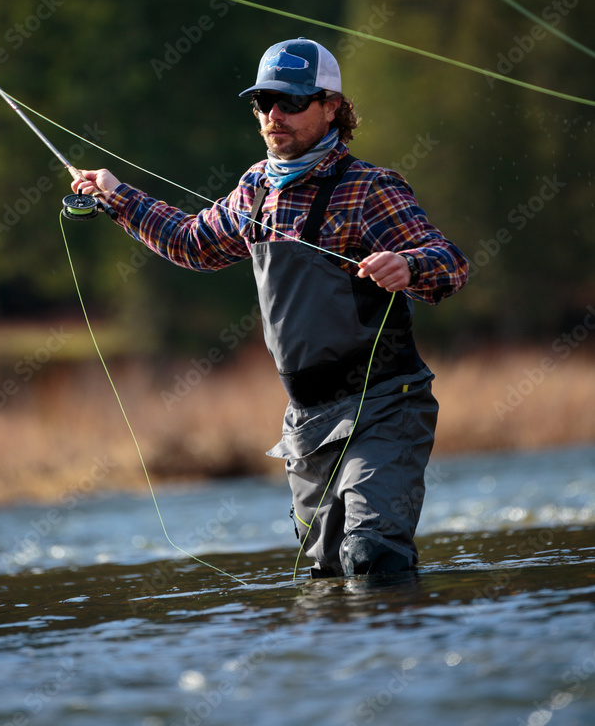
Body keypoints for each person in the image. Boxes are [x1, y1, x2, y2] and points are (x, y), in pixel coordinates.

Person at [73, 37, 469, 579]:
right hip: (306, 423)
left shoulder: (369, 188)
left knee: (372, 557)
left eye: (291, 102)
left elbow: (449, 263)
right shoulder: (256, 190)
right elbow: (194, 245)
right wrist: (117, 195)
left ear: (332, 107)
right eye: (263, 103)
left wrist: (408, 266)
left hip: (385, 407)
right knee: (326, 580)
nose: (274, 115)